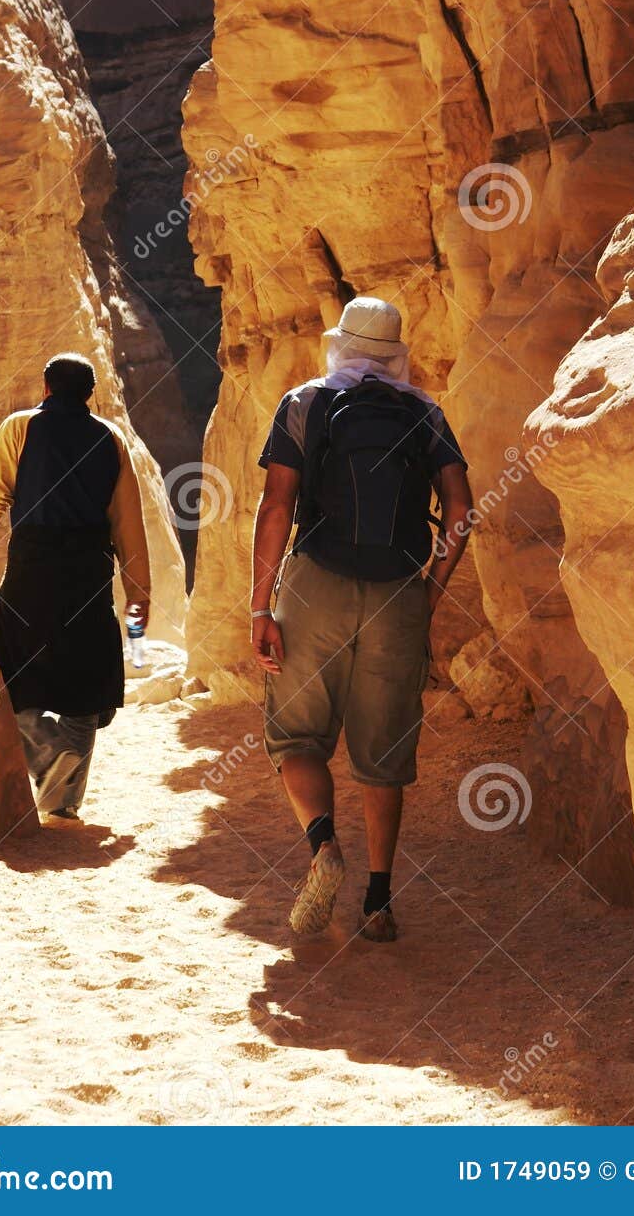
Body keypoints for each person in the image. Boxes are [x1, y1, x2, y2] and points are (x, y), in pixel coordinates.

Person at [251, 296, 473, 942]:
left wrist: (262, 605)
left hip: (315, 581)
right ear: (395, 352)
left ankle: (324, 845)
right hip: (397, 590)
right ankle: (378, 902)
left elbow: (276, 508)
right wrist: (426, 594)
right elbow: (460, 509)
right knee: (383, 757)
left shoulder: (305, 402)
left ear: (340, 346)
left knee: (296, 738)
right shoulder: (424, 412)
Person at [0, 353, 150, 822]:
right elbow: (127, 521)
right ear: (89, 394)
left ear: (45, 388)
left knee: (0, 658)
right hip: (90, 571)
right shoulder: (111, 440)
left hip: (34, 565)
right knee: (85, 678)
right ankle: (64, 800)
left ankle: (47, 754)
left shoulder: (20, 427)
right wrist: (139, 593)